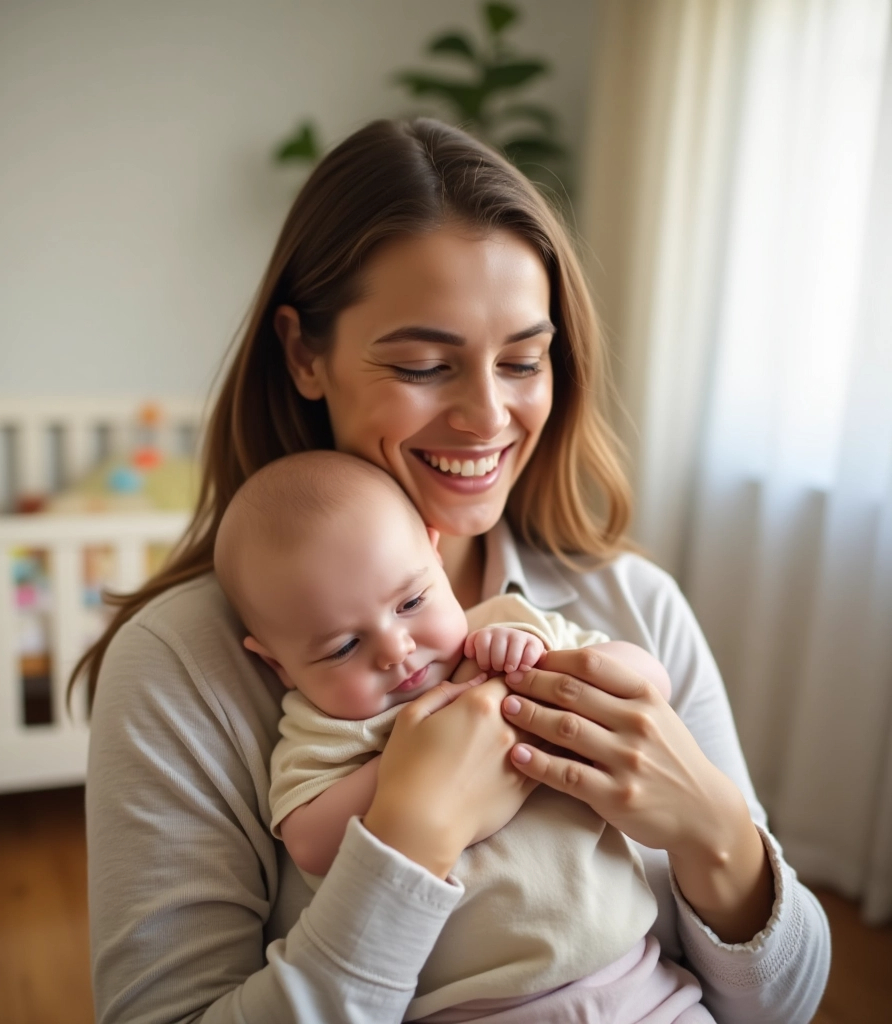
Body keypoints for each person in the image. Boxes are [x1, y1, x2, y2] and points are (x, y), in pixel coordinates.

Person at [79, 118, 831, 1023]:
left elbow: (782, 1007)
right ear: (303, 353)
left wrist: (717, 835)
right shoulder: (180, 668)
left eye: (522, 359)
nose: (486, 416)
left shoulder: (632, 604)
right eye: (426, 364)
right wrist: (411, 836)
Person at [215, 449, 714, 1022]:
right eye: (343, 647)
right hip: (471, 1011)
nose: (396, 649)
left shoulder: (513, 626)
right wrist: (416, 775)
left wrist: (549, 668)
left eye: (411, 602)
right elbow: (308, 842)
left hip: (637, 984)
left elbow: (649, 682)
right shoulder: (323, 727)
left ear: (436, 555)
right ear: (278, 664)